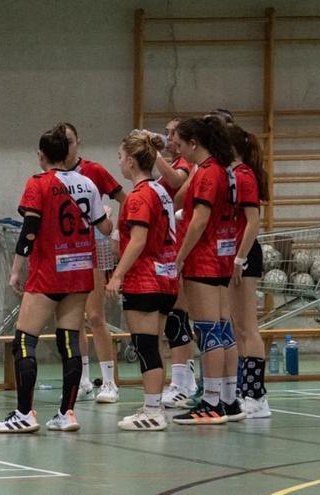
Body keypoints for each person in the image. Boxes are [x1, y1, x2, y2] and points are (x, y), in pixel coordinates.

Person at [0, 127, 111, 434]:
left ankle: (24, 414)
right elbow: (106, 228)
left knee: (24, 340)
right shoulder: (87, 184)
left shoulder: (39, 183)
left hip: (49, 272)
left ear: (42, 155)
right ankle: (66, 413)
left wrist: (16, 269)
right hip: (80, 270)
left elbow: (29, 229)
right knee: (70, 341)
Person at [105, 132, 177, 431]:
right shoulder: (160, 190)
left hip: (145, 279)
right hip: (166, 277)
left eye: (121, 158)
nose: (120, 163)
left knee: (146, 345)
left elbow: (138, 240)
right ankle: (154, 405)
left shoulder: (138, 196)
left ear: (132, 162)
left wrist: (117, 275)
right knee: (155, 345)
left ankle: (153, 411)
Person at [171, 116, 236, 425]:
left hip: (204, 259)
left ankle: (211, 402)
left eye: (181, 144)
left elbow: (199, 220)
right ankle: (228, 398)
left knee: (209, 329)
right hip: (219, 258)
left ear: (194, 143)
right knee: (222, 328)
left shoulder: (208, 173)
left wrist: (180, 256)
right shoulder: (218, 169)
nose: (179, 150)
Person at [60, 122, 124, 403]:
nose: (66, 146)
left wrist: (116, 231)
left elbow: (126, 199)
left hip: (94, 250)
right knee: (73, 320)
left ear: (78, 142)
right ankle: (83, 380)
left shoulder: (94, 171)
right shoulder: (51, 176)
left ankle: (109, 382)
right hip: (66, 252)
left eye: (70, 140)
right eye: (61, 141)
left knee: (96, 316)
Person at [226, 124, 271, 418]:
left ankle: (257, 395)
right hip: (234, 254)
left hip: (245, 256)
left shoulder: (243, 175)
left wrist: (239, 259)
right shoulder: (232, 174)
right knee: (238, 328)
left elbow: (253, 222)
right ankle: (245, 390)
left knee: (248, 327)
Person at [152, 119, 197, 408]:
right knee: (175, 316)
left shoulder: (187, 164)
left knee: (178, 315)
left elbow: (177, 184)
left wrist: (152, 152)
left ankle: (183, 383)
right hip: (171, 247)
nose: (168, 138)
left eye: (172, 134)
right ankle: (185, 379)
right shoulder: (176, 163)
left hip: (183, 248)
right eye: (166, 133)